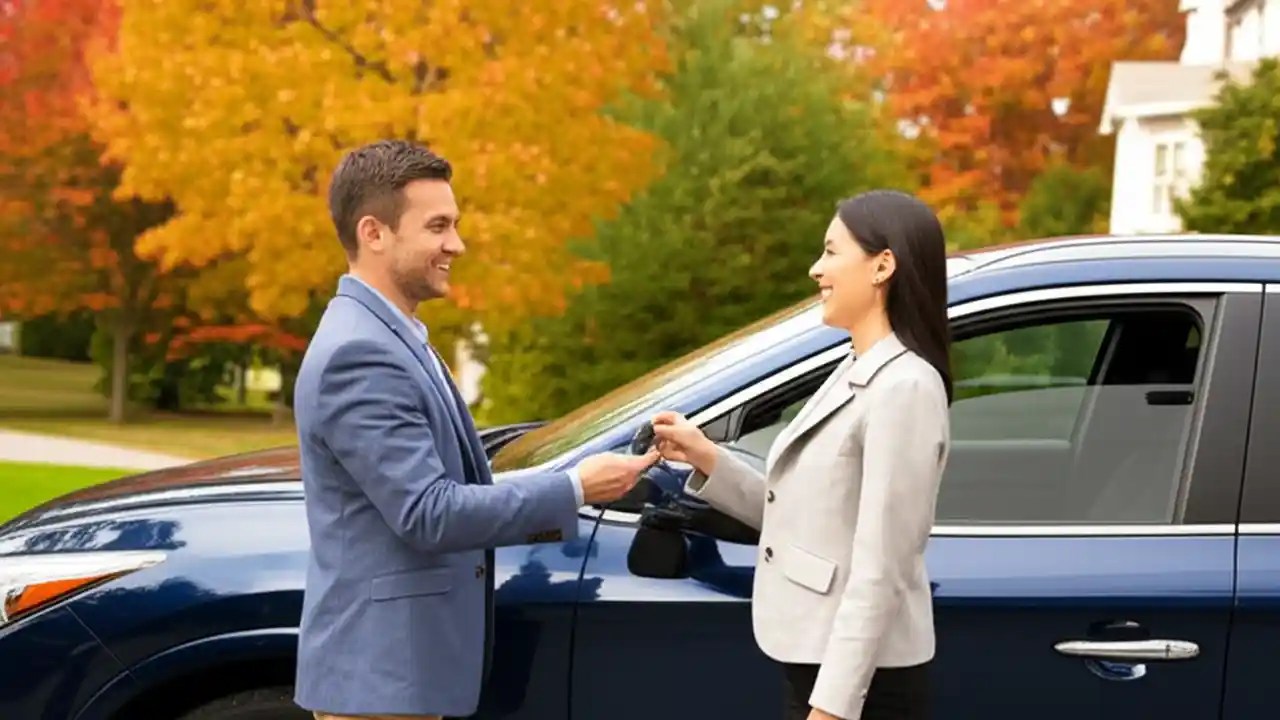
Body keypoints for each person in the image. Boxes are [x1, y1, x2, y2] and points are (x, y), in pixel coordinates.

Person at [292, 139, 658, 720]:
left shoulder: (391, 336)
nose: (456, 245)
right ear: (374, 233)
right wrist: (575, 489)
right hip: (382, 680)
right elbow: (429, 513)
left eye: (455, 225)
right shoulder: (359, 354)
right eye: (437, 226)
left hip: (400, 679)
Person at [651, 189, 952, 720]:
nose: (817, 269)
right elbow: (801, 515)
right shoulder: (856, 368)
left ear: (883, 265)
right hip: (823, 662)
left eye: (832, 251)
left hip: (860, 683)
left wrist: (832, 708)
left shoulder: (904, 387)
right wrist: (706, 457)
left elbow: (881, 565)